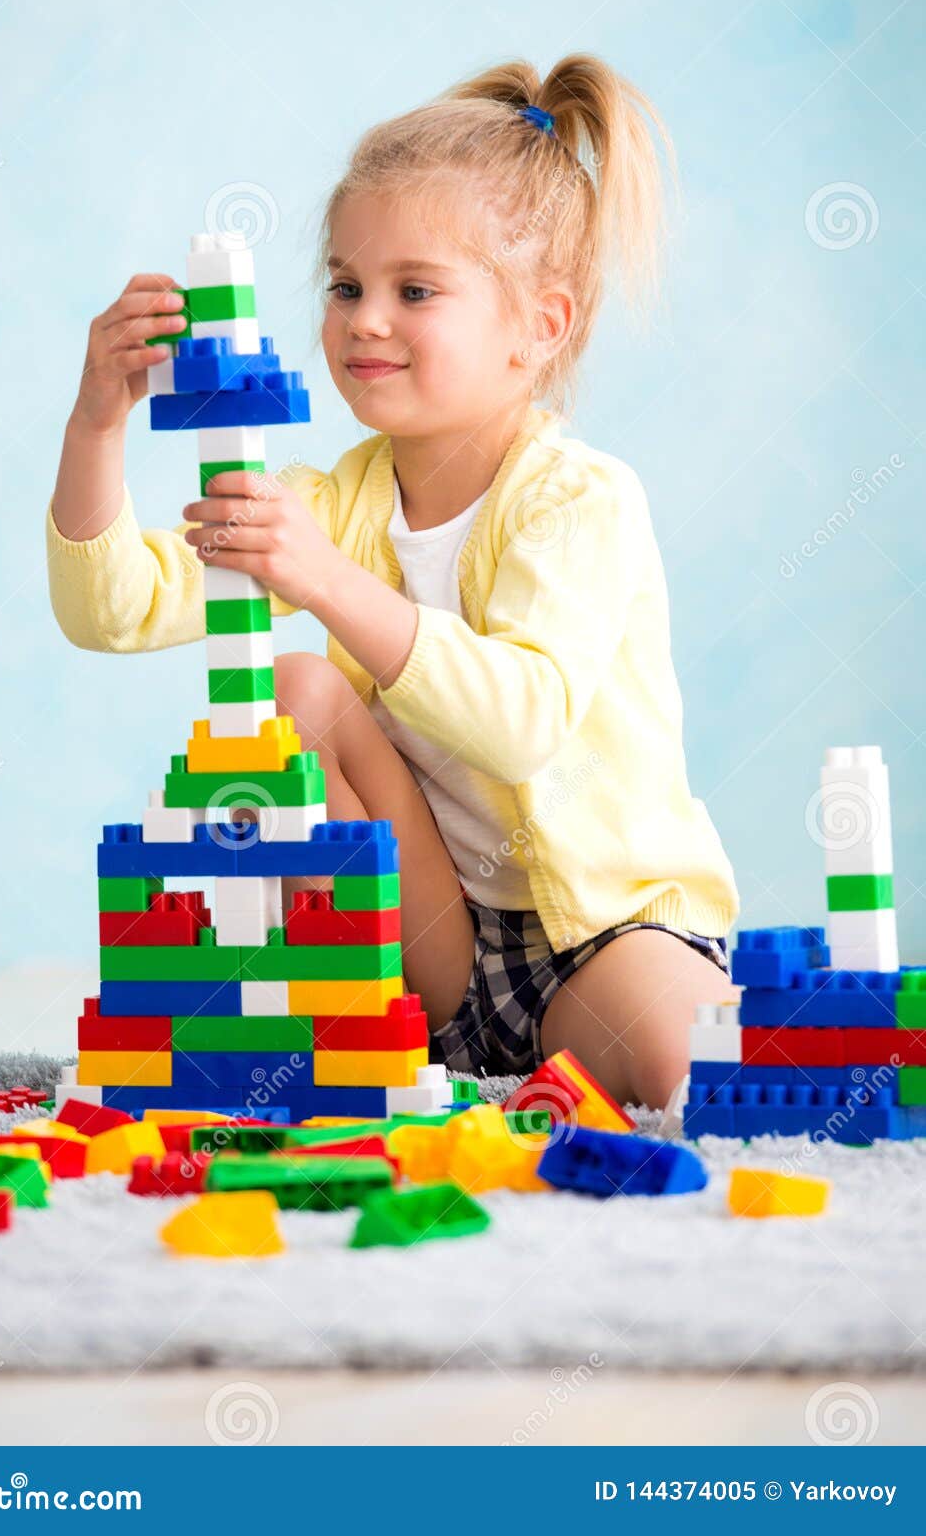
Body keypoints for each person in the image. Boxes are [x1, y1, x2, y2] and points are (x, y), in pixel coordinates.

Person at [47, 54, 739, 1110]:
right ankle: (373, 1013)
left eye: (414, 290)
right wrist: (98, 422)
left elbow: (524, 718)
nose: (365, 318)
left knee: (692, 1074)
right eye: (345, 285)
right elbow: (114, 609)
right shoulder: (332, 501)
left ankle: (521, 1052)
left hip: (601, 929)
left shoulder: (579, 500)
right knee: (294, 696)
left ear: (538, 327)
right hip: (436, 952)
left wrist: (325, 582)